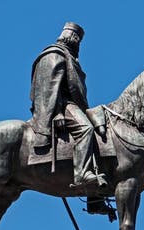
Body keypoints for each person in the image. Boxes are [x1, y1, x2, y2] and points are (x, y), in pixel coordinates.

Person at [30, 22, 107, 189]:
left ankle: (94, 198)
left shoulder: (68, 56)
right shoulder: (54, 54)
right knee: (86, 129)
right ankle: (82, 175)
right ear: (71, 38)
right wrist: (56, 112)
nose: (78, 43)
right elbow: (47, 88)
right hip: (61, 104)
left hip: (69, 104)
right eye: (77, 39)